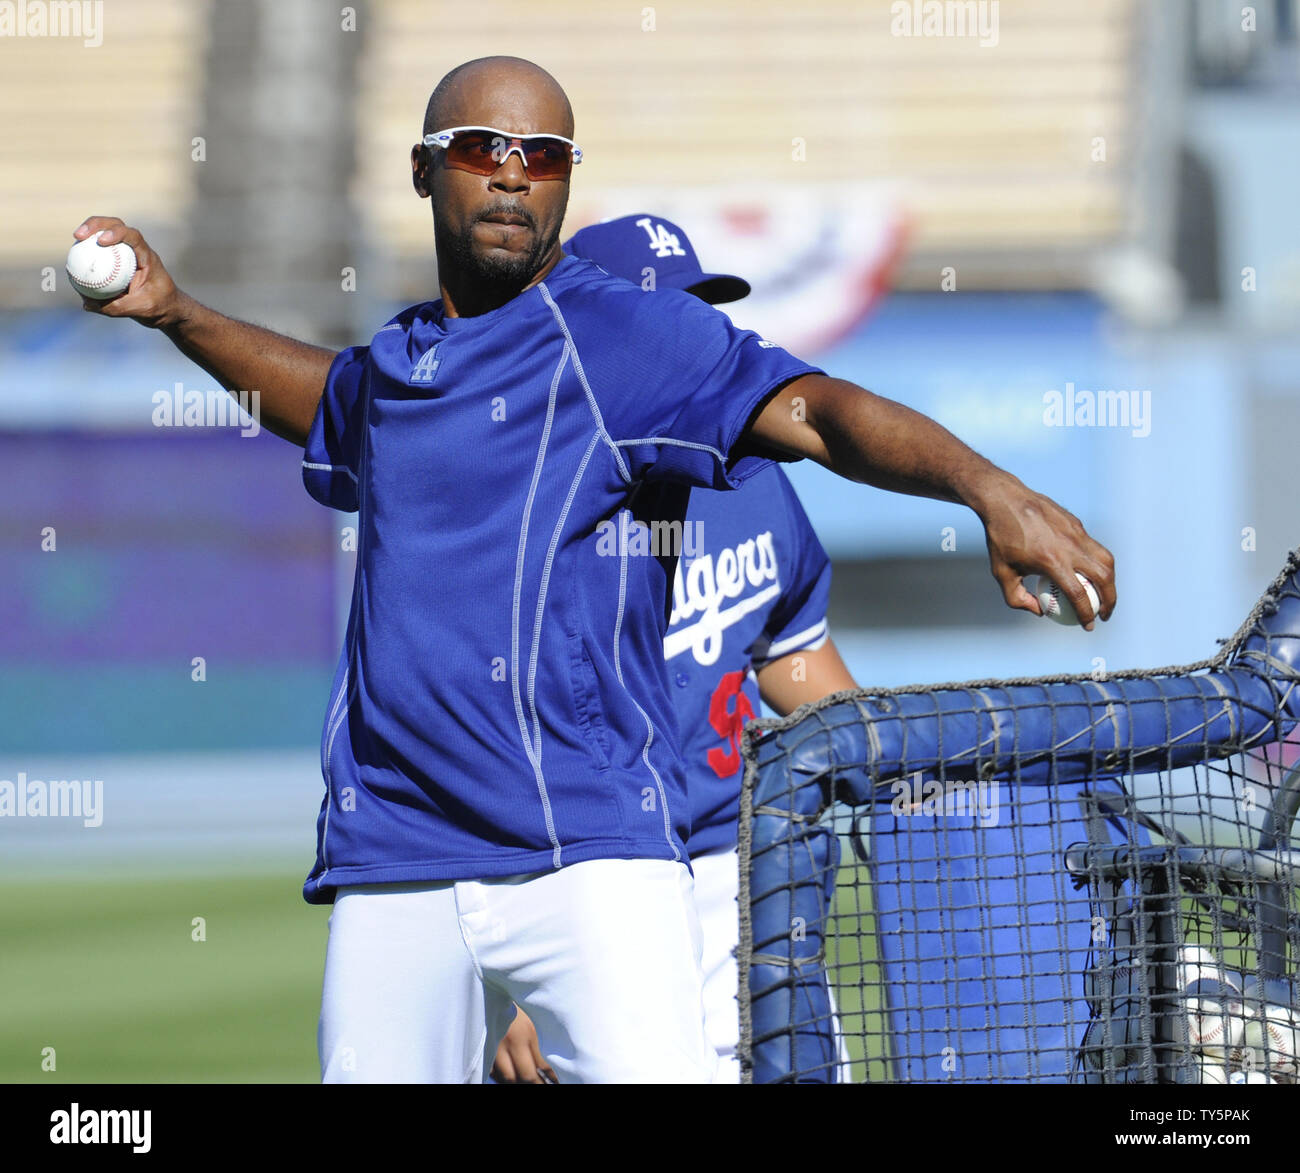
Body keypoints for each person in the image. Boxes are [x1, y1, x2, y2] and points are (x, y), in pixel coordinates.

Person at [71, 55, 1115, 1083]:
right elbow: (336, 402)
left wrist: (987, 488)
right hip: (397, 853)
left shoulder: (620, 337)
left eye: (546, 154)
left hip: (585, 852)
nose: (516, 173)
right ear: (424, 171)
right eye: (484, 147)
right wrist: (177, 313)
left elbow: (815, 411)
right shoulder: (402, 360)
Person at [491, 214, 859, 1084]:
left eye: (697, 311)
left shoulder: (755, 478)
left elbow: (793, 660)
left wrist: (914, 777)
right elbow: (487, 740)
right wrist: (512, 970)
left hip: (746, 876)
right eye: (659, 316)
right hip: (591, 880)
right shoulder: (540, 510)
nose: (684, 338)